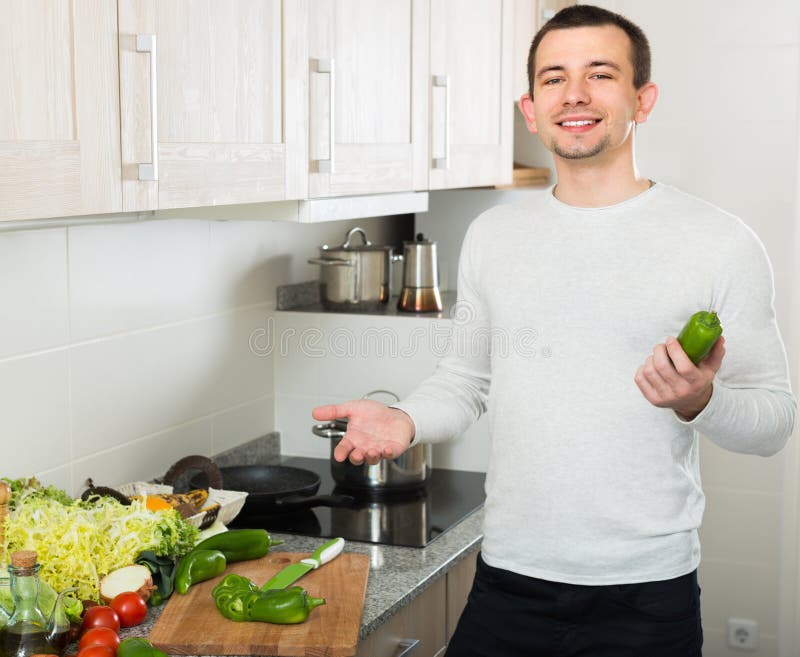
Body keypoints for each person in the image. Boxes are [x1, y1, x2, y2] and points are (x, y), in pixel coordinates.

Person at [313, 5, 796, 656]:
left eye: (599, 73)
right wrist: (404, 421)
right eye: (553, 78)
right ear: (529, 107)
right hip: (509, 580)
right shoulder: (494, 236)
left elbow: (773, 421)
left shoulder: (719, 242)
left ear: (642, 99)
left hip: (646, 596)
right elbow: (465, 380)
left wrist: (699, 400)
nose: (574, 94)